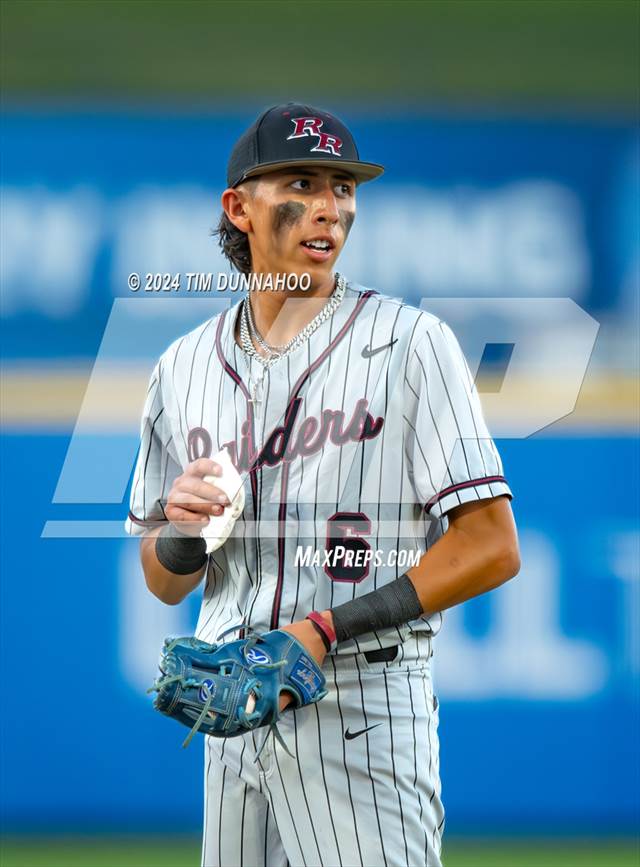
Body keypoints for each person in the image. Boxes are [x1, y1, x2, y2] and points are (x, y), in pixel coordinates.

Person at [126, 102, 520, 867]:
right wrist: (180, 534)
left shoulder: (411, 342)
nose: (329, 208)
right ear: (238, 207)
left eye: (343, 187)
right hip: (235, 716)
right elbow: (162, 578)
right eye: (301, 183)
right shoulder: (182, 367)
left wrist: (324, 628)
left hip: (360, 709)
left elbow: (492, 546)